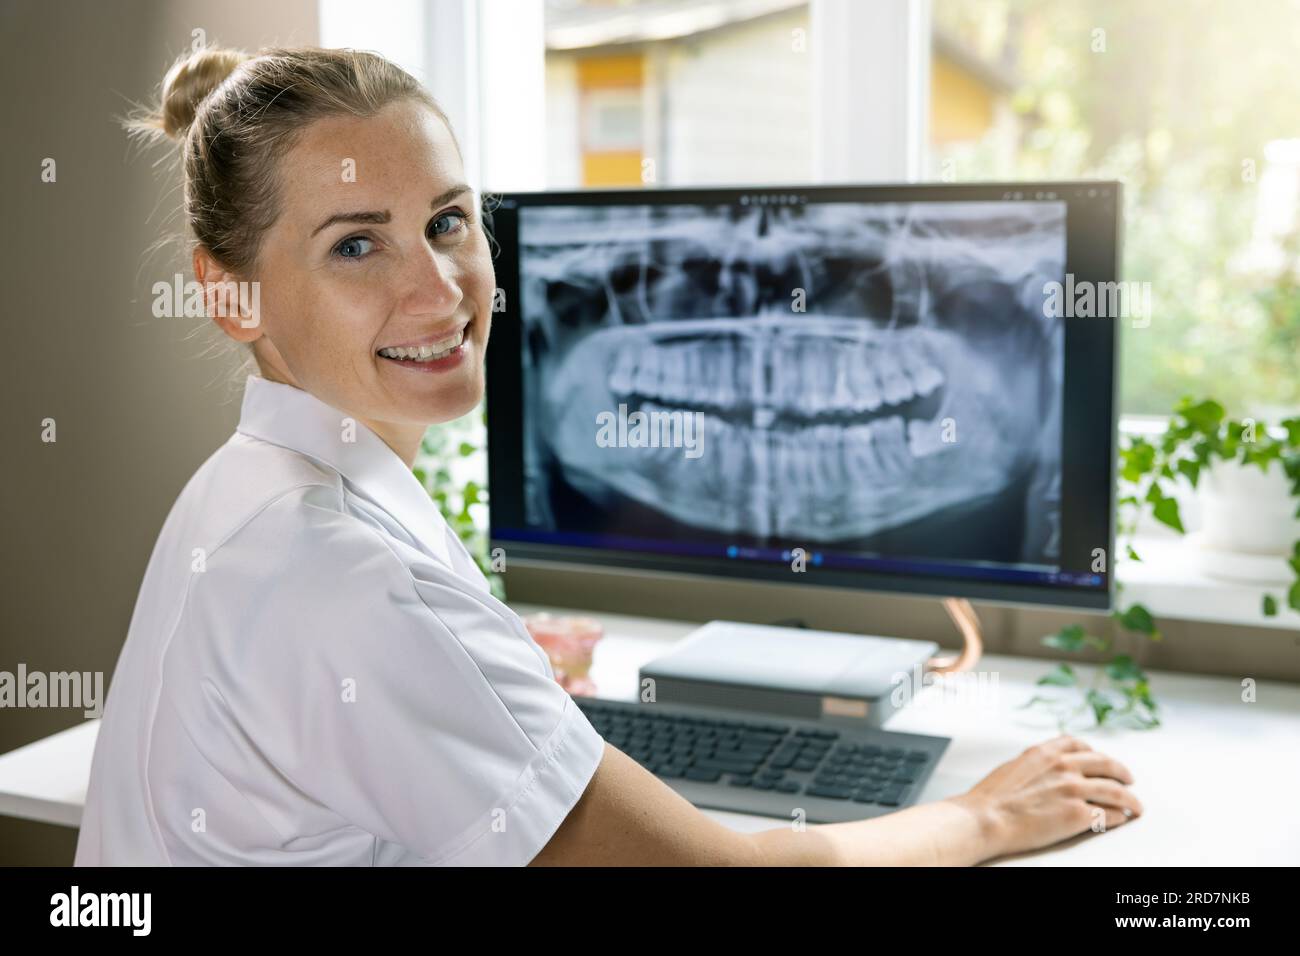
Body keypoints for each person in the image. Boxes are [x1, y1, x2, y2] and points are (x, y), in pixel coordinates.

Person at [75, 45, 1142, 866]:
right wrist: (976, 814)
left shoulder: (247, 492)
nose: (440, 290)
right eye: (356, 243)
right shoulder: (350, 581)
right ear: (231, 293)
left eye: (447, 222)